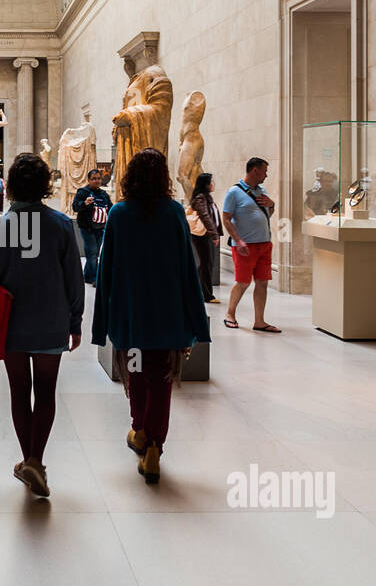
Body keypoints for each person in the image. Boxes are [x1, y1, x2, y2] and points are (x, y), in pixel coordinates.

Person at [93, 148, 210, 485]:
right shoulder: (174, 212)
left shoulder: (118, 213)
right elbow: (189, 269)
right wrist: (196, 319)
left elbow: (107, 271)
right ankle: (154, 445)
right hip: (165, 312)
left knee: (136, 374)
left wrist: (102, 321)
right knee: (161, 379)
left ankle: (140, 429)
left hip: (131, 314)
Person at [0, 153, 83, 498]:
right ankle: (36, 461)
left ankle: (28, 460)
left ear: (10, 185)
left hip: (12, 322)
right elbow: (74, 280)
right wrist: (76, 321)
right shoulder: (61, 224)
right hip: (52, 319)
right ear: (44, 185)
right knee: (47, 392)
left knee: (20, 393)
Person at [221, 157, 279, 332]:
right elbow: (226, 218)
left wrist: (272, 204)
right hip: (245, 247)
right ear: (255, 170)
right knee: (243, 282)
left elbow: (267, 214)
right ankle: (230, 314)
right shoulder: (233, 192)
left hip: (264, 244)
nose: (266, 175)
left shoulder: (261, 191)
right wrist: (238, 240)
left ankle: (259, 321)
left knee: (262, 282)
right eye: (264, 171)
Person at [72, 168, 113, 285]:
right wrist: (84, 203)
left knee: (94, 254)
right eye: (94, 179)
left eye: (98, 178)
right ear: (88, 180)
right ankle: (95, 278)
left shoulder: (104, 194)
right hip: (87, 228)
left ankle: (87, 276)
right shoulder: (82, 192)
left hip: (100, 228)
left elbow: (110, 208)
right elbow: (75, 207)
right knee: (92, 253)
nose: (97, 181)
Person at [189, 172, 222, 304]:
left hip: (207, 235)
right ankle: (207, 295)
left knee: (205, 263)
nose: (214, 184)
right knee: (206, 264)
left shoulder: (207, 197)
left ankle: (193, 287)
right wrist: (214, 234)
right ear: (206, 184)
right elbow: (205, 216)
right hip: (202, 235)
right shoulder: (200, 198)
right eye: (212, 181)